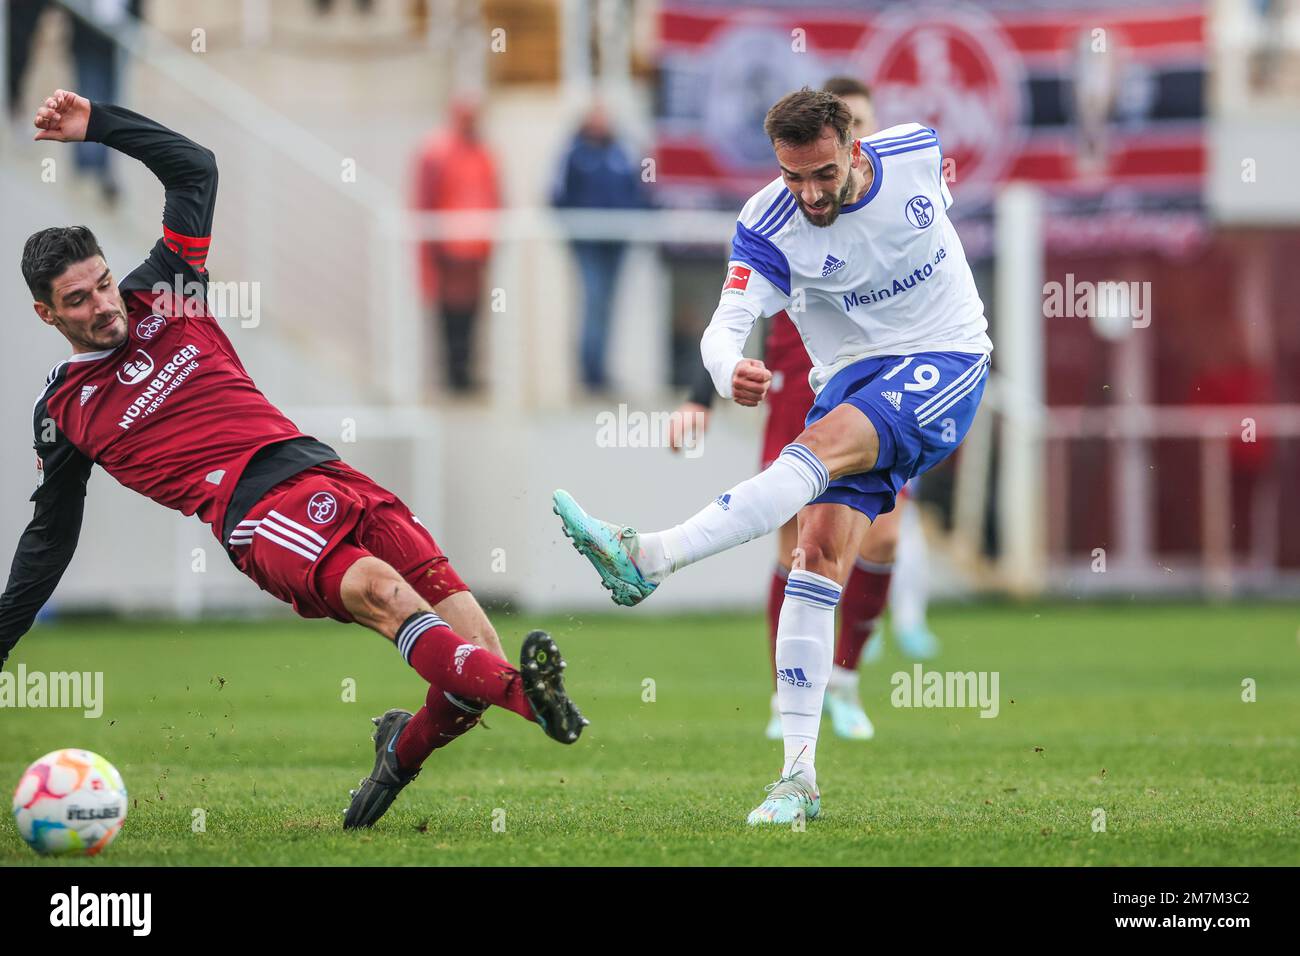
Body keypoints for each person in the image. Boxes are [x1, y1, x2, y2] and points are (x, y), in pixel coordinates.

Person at [0, 90, 585, 831]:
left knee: (475, 657)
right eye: (77, 300)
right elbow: (49, 536)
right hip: (252, 511)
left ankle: (399, 752)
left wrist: (99, 125)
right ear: (46, 315)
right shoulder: (65, 413)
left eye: (104, 283)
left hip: (318, 467)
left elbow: (195, 172)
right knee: (382, 592)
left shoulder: (166, 295)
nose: (104, 305)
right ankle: (535, 701)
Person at [554, 88, 991, 825]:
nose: (810, 193)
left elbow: (928, 208)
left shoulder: (915, 153)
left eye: (824, 173)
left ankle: (650, 555)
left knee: (814, 452)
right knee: (814, 557)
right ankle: (797, 778)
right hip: (851, 379)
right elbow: (724, 329)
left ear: (855, 147)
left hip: (945, 359)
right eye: (794, 176)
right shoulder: (767, 221)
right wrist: (728, 374)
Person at [665, 77, 933, 746]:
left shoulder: (891, 195)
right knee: (798, 545)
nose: (816, 185)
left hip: (876, 388)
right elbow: (742, 311)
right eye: (800, 175)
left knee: (887, 533)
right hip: (794, 385)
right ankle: (791, 692)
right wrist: (706, 393)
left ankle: (842, 678)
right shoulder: (786, 214)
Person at [551, 103, 646, 392]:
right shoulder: (574, 155)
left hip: (616, 240)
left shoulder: (623, 152)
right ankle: (589, 374)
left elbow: (640, 191)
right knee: (593, 302)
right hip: (587, 240)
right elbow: (557, 196)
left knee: (608, 305)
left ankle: (602, 371)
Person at [413, 97, 499, 393]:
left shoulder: (482, 154)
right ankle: (453, 375)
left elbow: (494, 196)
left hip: (475, 250)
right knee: (450, 313)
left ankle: (465, 372)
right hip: (448, 249)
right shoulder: (437, 153)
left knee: (471, 314)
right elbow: (425, 200)